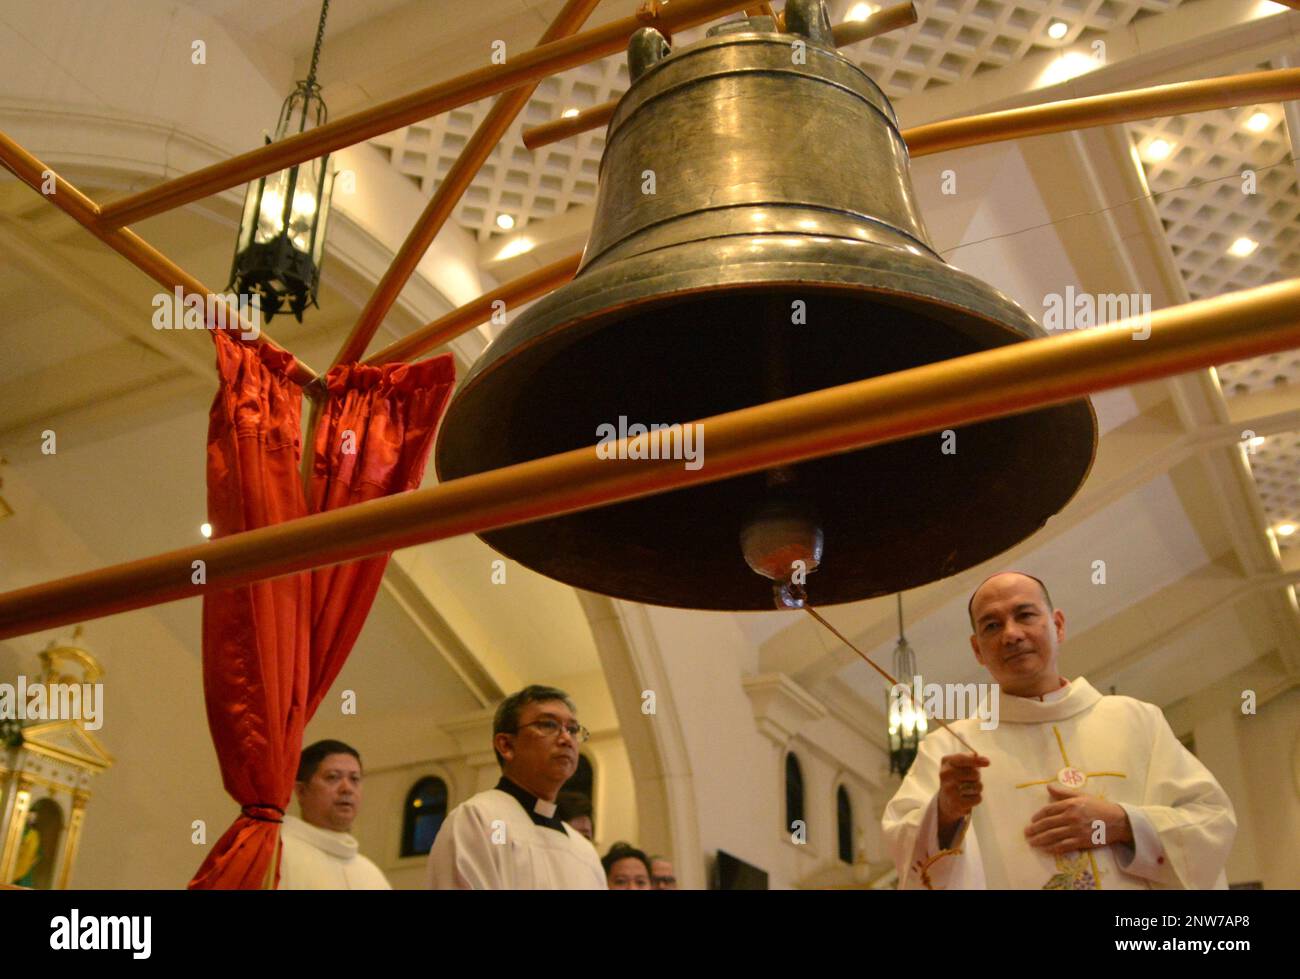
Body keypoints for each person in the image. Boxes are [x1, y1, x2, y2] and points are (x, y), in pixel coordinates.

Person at [882, 572, 1236, 890]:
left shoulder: (1138, 721)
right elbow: (905, 847)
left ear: (1058, 625)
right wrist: (945, 813)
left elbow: (1211, 821)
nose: (1011, 634)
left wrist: (1124, 823)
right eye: (991, 626)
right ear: (977, 649)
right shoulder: (949, 748)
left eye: (1025, 615)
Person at [427, 685, 606, 889]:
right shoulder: (480, 819)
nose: (566, 739)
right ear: (506, 745)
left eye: (572, 729)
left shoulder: (584, 850)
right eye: (548, 725)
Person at [278, 739, 391, 890]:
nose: (347, 788)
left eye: (354, 779)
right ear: (301, 791)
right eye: (332, 777)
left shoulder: (371, 874)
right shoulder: (278, 855)